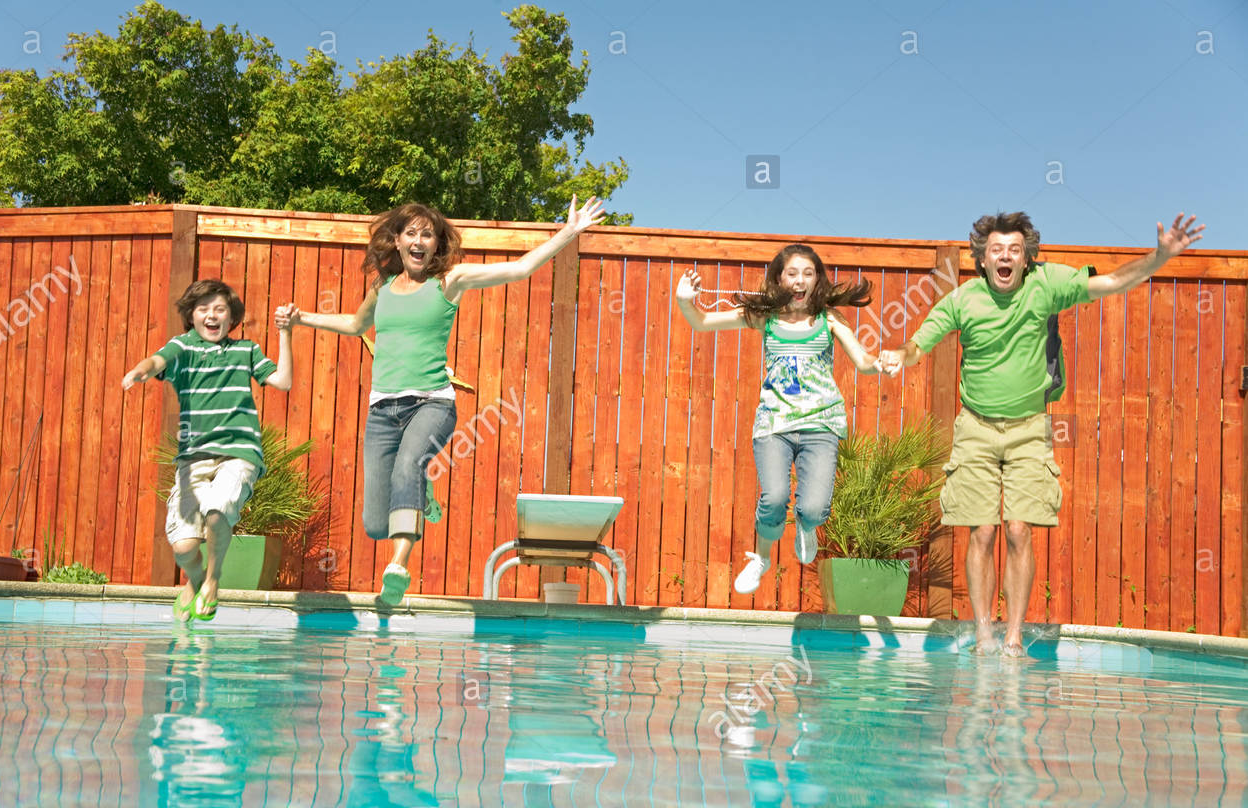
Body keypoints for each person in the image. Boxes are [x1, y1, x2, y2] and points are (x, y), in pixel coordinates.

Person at [879, 211, 1204, 656]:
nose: (1005, 256)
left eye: (1014, 250)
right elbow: (919, 343)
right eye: (996, 250)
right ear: (982, 258)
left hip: (1029, 427)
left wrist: (1160, 256)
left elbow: (1112, 283)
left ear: (1026, 258)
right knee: (982, 532)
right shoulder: (963, 300)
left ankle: (1013, 636)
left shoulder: (1046, 284)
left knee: (1018, 530)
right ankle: (985, 635)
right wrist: (900, 354)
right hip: (975, 426)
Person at [277, 195, 606, 603]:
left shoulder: (450, 281)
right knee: (376, 522)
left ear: (437, 244)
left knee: (408, 468)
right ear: (397, 241)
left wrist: (569, 231)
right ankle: (422, 492)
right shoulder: (382, 287)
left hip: (431, 404)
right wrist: (302, 318)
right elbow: (355, 324)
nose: (419, 241)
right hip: (382, 410)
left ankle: (398, 566)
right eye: (411, 233)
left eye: (427, 235)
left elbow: (520, 269)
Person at [675, 243, 884, 594]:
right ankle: (761, 558)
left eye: (808, 273)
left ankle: (806, 525)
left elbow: (863, 362)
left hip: (821, 425)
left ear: (817, 280)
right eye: (792, 273)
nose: (800, 280)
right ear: (779, 279)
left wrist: (880, 363)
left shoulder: (829, 319)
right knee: (773, 499)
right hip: (774, 424)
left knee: (814, 509)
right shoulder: (765, 317)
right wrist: (685, 300)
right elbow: (702, 322)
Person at [123, 279, 294, 621]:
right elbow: (157, 360)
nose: (212, 315)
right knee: (184, 548)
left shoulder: (245, 351)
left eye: (220, 309)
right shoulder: (183, 348)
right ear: (191, 315)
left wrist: (285, 334)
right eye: (203, 309)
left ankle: (213, 580)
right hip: (193, 457)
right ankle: (196, 579)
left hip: (239, 453)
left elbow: (284, 381)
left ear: (232, 318)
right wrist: (140, 371)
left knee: (217, 511)